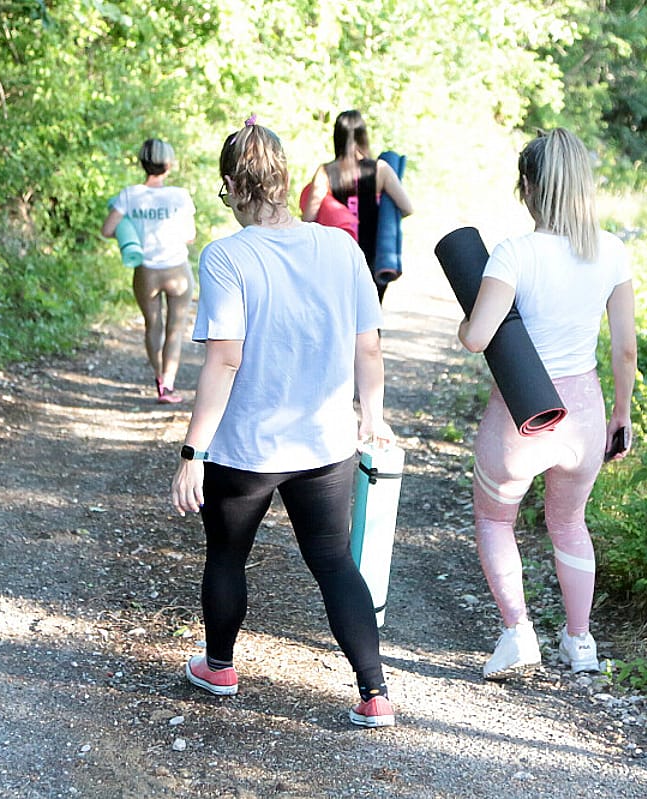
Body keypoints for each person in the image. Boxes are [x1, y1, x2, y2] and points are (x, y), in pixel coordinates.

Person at [169, 120, 397, 728]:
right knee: (334, 562)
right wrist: (372, 418)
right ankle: (374, 693)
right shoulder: (340, 248)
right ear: (285, 179)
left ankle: (219, 667)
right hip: (326, 444)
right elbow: (369, 345)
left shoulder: (226, 256)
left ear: (231, 186)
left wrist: (193, 453)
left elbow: (225, 359)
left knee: (226, 555)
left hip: (245, 449)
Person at [456, 128, 638, 680]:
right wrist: (622, 414)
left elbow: (477, 337)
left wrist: (465, 322)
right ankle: (580, 641)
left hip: (522, 416)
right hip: (583, 415)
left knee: (495, 518)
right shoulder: (611, 251)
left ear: (529, 186)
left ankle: (518, 633)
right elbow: (625, 349)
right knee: (570, 521)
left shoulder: (515, 253)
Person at [102, 138, 197, 404]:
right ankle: (169, 385)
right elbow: (190, 236)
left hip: (146, 271)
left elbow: (107, 230)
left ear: (142, 163)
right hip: (177, 269)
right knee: (175, 329)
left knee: (153, 326)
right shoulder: (179, 196)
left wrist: (131, 232)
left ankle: (159, 379)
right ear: (169, 165)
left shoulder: (129, 195)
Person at [301, 109, 413, 302]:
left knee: (342, 313)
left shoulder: (325, 172)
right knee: (371, 313)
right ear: (363, 136)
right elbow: (407, 207)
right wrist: (385, 213)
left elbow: (309, 218)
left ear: (337, 137)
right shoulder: (381, 169)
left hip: (338, 261)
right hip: (373, 259)